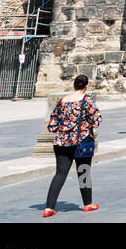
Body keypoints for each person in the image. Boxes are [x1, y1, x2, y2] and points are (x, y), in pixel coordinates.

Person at [43, 74, 101, 217]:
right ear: (86, 86)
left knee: (60, 174)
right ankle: (88, 204)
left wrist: (64, 131)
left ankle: (49, 208)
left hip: (61, 142)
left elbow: (52, 124)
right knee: (84, 171)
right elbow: (96, 120)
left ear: (74, 85)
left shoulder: (63, 101)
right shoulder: (87, 100)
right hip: (80, 141)